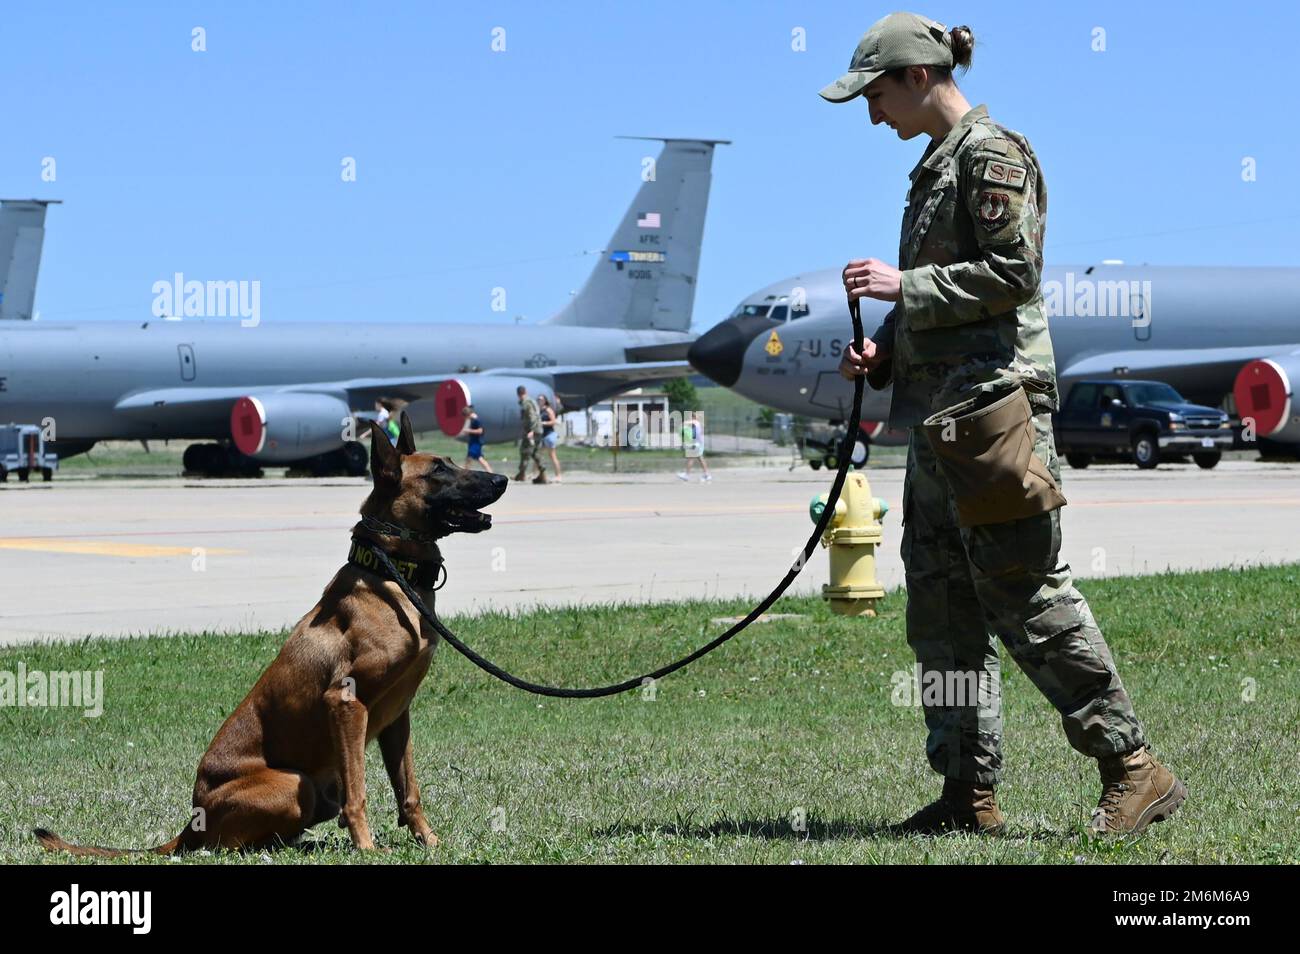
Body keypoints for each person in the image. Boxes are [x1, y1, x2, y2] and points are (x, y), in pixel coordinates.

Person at [826, 12, 1184, 836]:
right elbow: (943, 297)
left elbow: (1013, 273)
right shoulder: (933, 169)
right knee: (943, 613)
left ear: (920, 76)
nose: (873, 115)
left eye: (876, 97)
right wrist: (880, 353)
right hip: (938, 422)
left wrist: (900, 288)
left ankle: (1135, 767)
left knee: (1026, 596)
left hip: (993, 419)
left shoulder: (992, 155)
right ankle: (967, 795)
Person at [515, 385, 547, 484]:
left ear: (518, 394)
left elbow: (532, 417)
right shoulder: (531, 401)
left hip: (531, 431)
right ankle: (542, 475)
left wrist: (531, 431)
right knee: (535, 453)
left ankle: (521, 474)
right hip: (538, 430)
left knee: (525, 451)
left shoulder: (526, 403)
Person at [676, 410, 711, 482]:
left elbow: (685, 424)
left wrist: (682, 424)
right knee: (700, 459)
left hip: (697, 444)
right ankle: (707, 475)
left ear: (693, 417)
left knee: (691, 458)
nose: (688, 418)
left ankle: (686, 475)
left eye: (690, 417)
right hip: (698, 444)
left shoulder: (695, 422)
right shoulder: (697, 423)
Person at [537, 394, 563, 483]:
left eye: (541, 399)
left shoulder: (548, 410)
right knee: (538, 456)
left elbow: (553, 421)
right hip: (543, 436)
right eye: (538, 399)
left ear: (545, 400)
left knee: (552, 456)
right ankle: (537, 475)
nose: (539, 401)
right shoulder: (539, 410)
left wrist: (543, 423)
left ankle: (558, 476)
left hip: (549, 435)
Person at [461, 404, 492, 473]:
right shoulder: (473, 420)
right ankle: (490, 472)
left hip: (476, 443)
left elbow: (480, 431)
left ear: (467, 415)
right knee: (479, 459)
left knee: (470, 459)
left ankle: (464, 473)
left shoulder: (476, 420)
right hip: (473, 442)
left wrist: (468, 430)